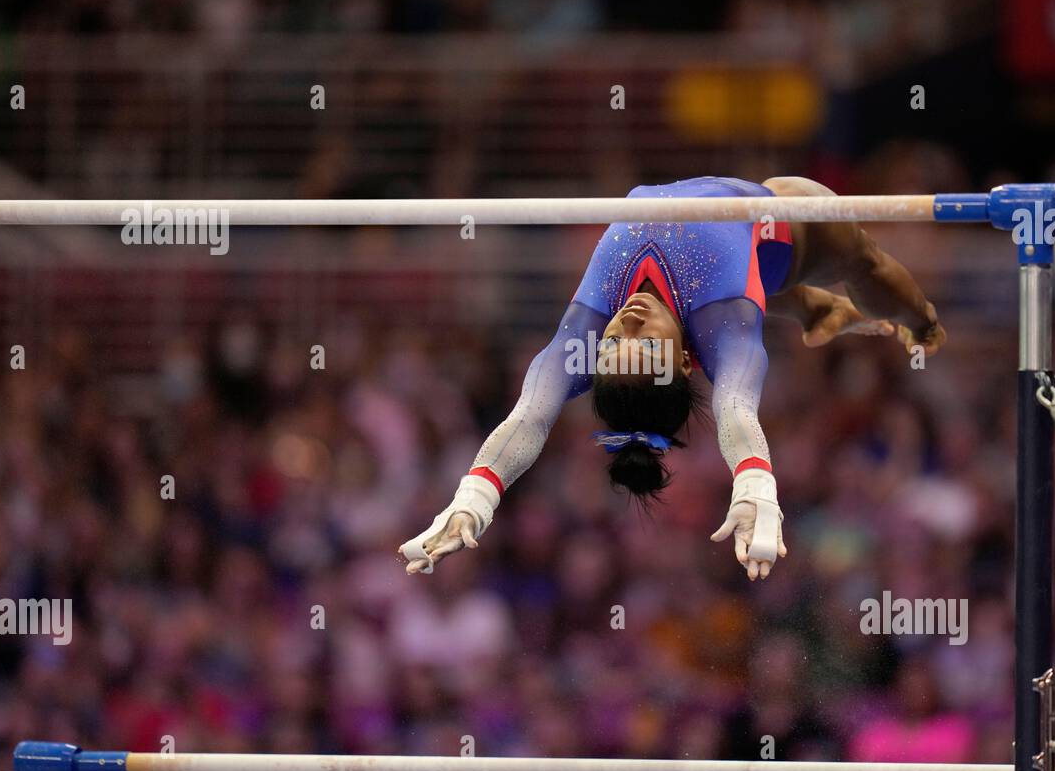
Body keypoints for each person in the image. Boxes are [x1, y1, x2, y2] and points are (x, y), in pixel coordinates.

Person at [398, 176, 944, 581]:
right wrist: (756, 486)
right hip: (779, 233)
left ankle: (814, 312)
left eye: (614, 341)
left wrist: (473, 497)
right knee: (862, 259)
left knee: (742, 293)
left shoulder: (587, 327)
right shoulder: (723, 325)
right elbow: (736, 411)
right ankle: (922, 321)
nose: (627, 319)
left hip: (737, 270)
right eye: (645, 342)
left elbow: (529, 415)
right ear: (684, 362)